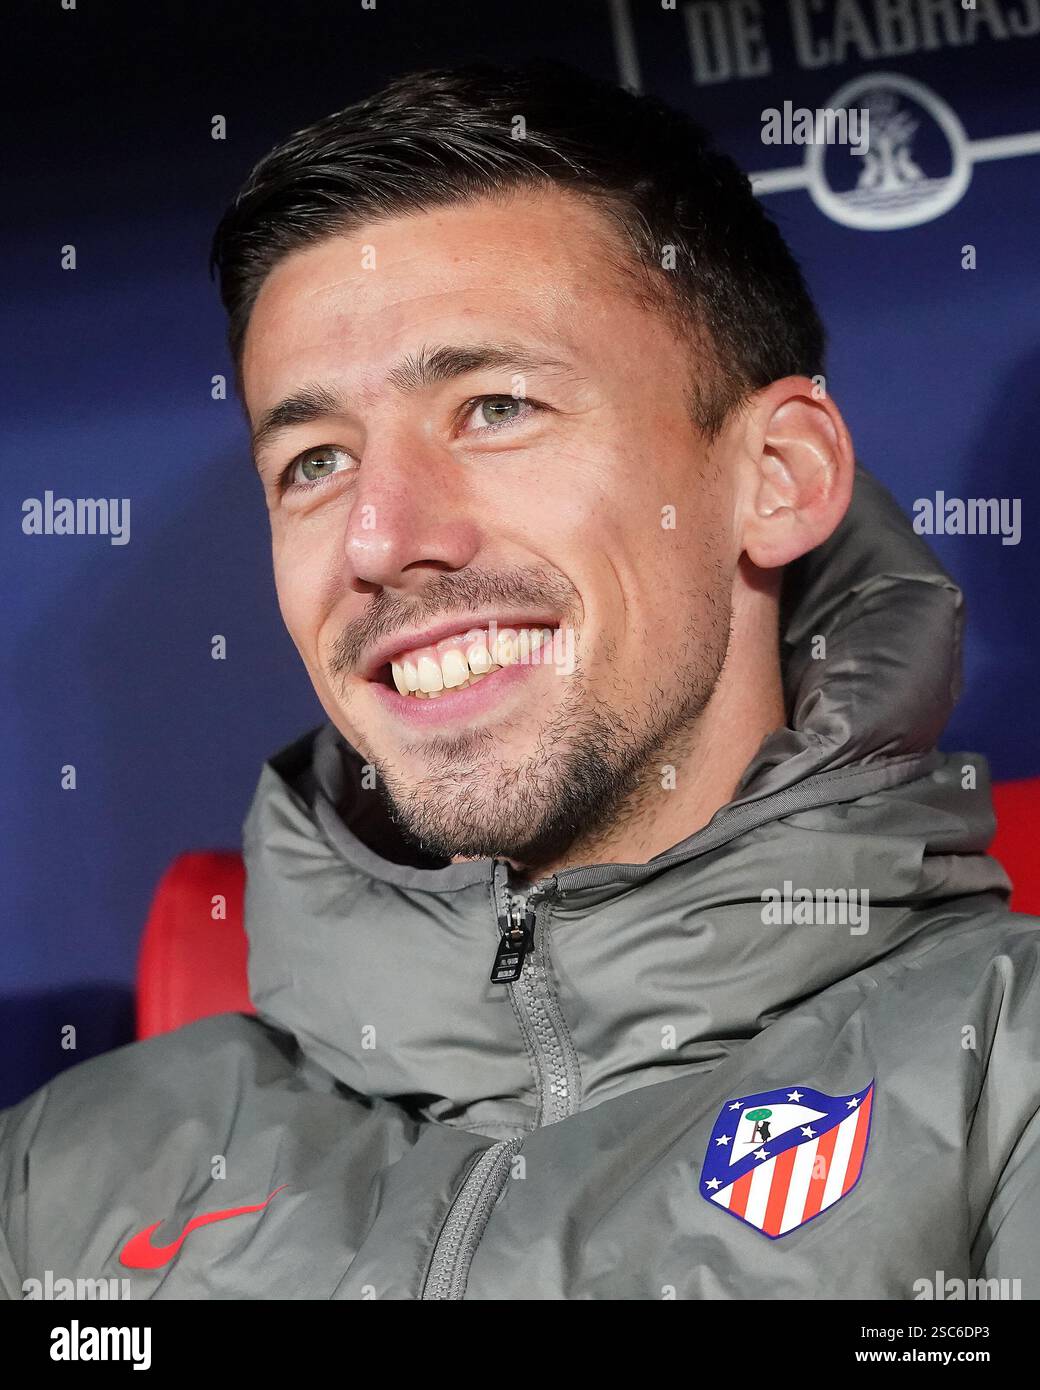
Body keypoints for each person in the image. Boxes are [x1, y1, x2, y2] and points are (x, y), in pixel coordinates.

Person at [2, 61, 1038, 1301]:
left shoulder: (1002, 1076)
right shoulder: (58, 1171)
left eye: (494, 406)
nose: (381, 539)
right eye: (317, 458)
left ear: (776, 476)